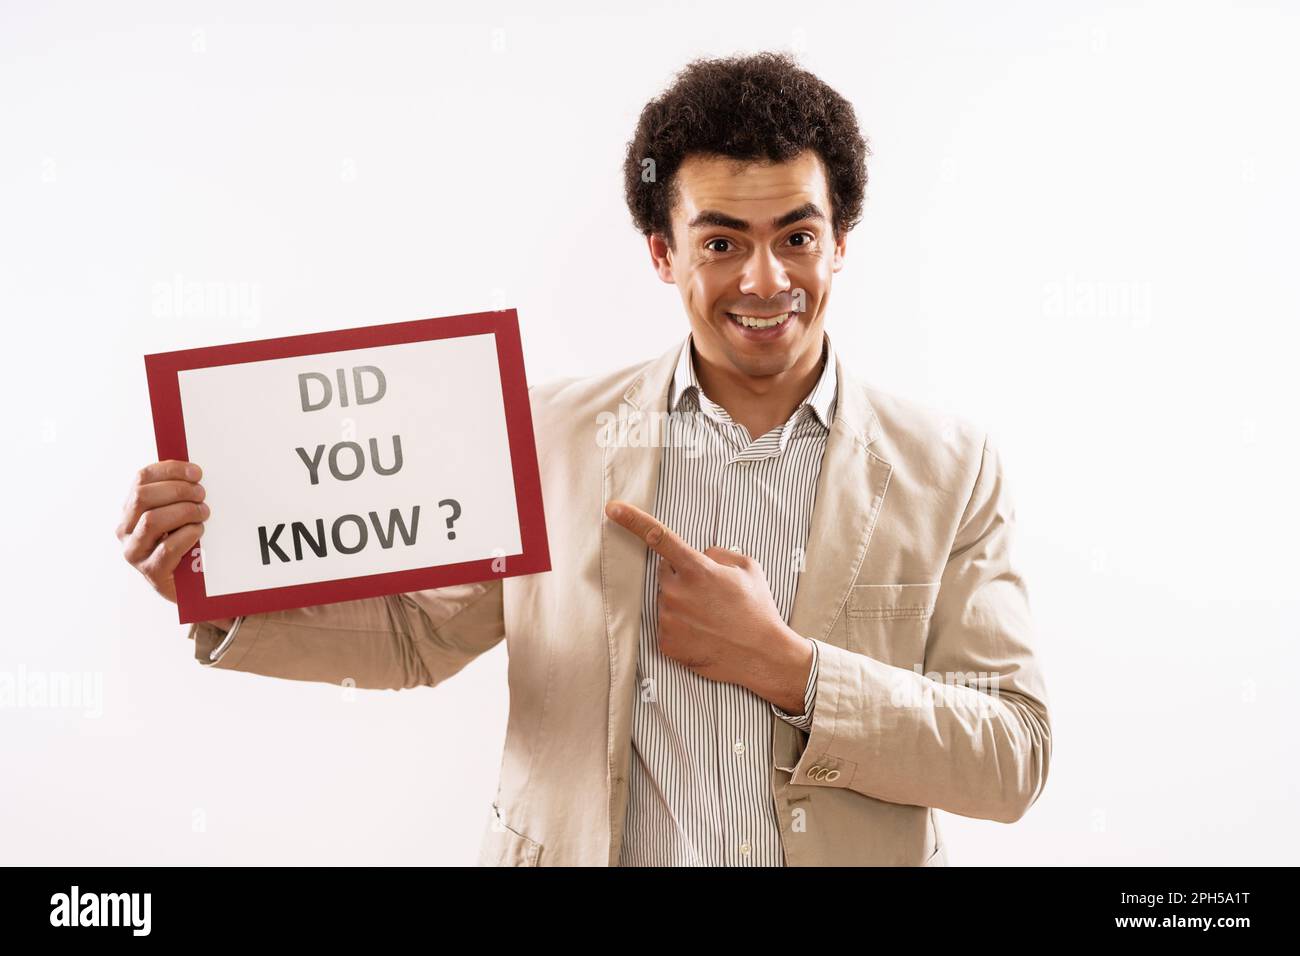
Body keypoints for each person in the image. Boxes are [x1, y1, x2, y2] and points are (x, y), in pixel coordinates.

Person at [116, 51, 1051, 866]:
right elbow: (416, 637)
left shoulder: (951, 468)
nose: (766, 281)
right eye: (721, 241)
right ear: (662, 253)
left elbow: (1013, 752)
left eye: (797, 237)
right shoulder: (546, 432)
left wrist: (791, 669)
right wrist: (216, 581)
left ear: (840, 241)